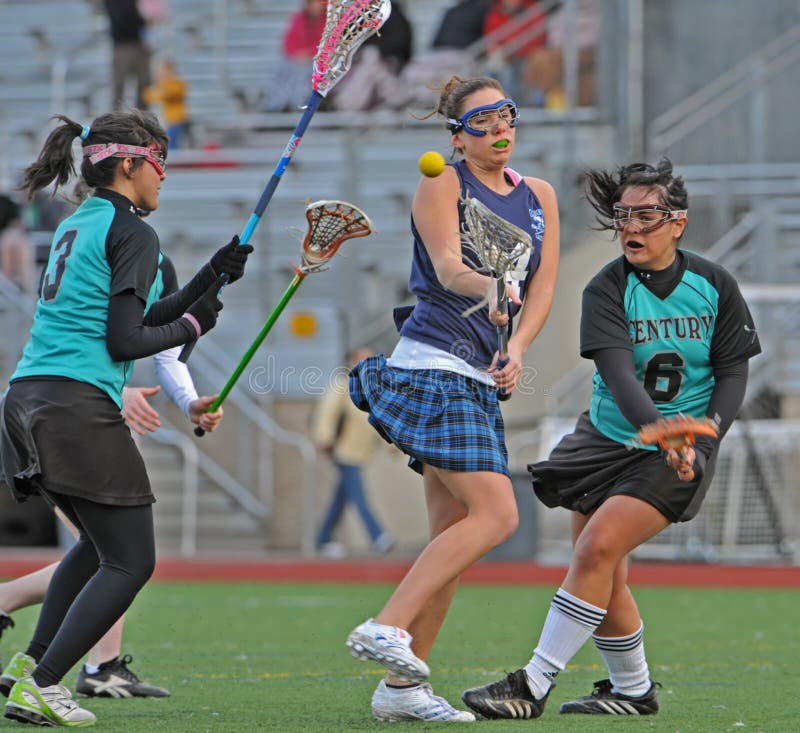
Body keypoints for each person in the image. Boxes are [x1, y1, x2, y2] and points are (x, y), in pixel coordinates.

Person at [460, 158, 762, 719]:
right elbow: (620, 375)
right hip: (607, 438)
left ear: (678, 222)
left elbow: (733, 372)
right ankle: (634, 689)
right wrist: (657, 426)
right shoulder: (607, 287)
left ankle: (532, 683)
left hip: (674, 453)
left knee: (597, 548)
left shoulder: (714, 284)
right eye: (623, 216)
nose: (632, 228)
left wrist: (705, 437)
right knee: (603, 566)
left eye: (647, 216)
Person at [0, 107, 251, 726]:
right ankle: (49, 681)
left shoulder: (80, 221)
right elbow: (125, 340)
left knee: (95, 546)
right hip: (76, 403)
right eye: (159, 163)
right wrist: (195, 322)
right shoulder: (135, 232)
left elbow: (129, 311)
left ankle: (28, 669)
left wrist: (206, 281)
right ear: (132, 163)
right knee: (132, 560)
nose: (165, 177)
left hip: (29, 398)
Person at [344, 75, 560, 722]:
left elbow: (543, 288)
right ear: (456, 136)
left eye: (506, 115)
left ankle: (401, 688)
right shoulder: (443, 180)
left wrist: (518, 347)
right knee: (498, 516)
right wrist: (491, 284)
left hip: (477, 374)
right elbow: (444, 265)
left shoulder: (541, 196)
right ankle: (387, 623)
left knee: (450, 537)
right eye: (483, 121)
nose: (499, 129)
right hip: (434, 363)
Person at [0, 252, 224, 701]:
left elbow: (156, 347)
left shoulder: (123, 244)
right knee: (120, 554)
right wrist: (114, 390)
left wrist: (188, 402)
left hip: (53, 405)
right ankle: (55, 674)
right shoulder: (113, 236)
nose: (160, 177)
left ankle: (53, 660)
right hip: (68, 411)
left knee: (104, 545)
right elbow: (90, 340)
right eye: (155, 173)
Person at [312, 346, 393, 558]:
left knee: (341, 498)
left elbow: (377, 423)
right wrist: (324, 438)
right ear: (351, 362)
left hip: (361, 453)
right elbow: (327, 414)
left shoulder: (374, 390)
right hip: (344, 452)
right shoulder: (342, 385)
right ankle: (378, 537)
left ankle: (323, 539)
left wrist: (392, 445)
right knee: (359, 496)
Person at [264, 0, 326, 113]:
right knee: (286, 70)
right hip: (297, 60)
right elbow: (288, 42)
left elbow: (325, 43)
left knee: (302, 72)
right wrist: (297, 54)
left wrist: (309, 54)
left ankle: (295, 105)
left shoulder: (328, 21)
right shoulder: (299, 18)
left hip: (317, 62)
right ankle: (278, 105)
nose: (316, 6)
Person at [482, 0, 547, 104]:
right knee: (491, 68)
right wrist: (496, 51)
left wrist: (517, 51)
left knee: (518, 72)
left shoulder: (531, 10)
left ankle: (518, 107)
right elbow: (490, 39)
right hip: (505, 57)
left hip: (528, 56)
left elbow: (539, 37)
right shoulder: (496, 13)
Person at [103, 0, 152, 109]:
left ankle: (142, 117)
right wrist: (142, 21)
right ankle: (115, 119)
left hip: (138, 44)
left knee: (144, 83)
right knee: (119, 85)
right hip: (122, 46)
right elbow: (123, 17)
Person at [143, 58, 190, 150]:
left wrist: (161, 87)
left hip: (176, 120)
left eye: (165, 71)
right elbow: (147, 96)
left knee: (172, 145)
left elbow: (169, 94)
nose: (162, 74)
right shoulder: (162, 85)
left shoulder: (176, 84)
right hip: (168, 121)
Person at [0, 195, 35, 294]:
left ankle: (20, 286)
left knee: (13, 239)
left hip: (7, 238)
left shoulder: (8, 202)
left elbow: (17, 224)